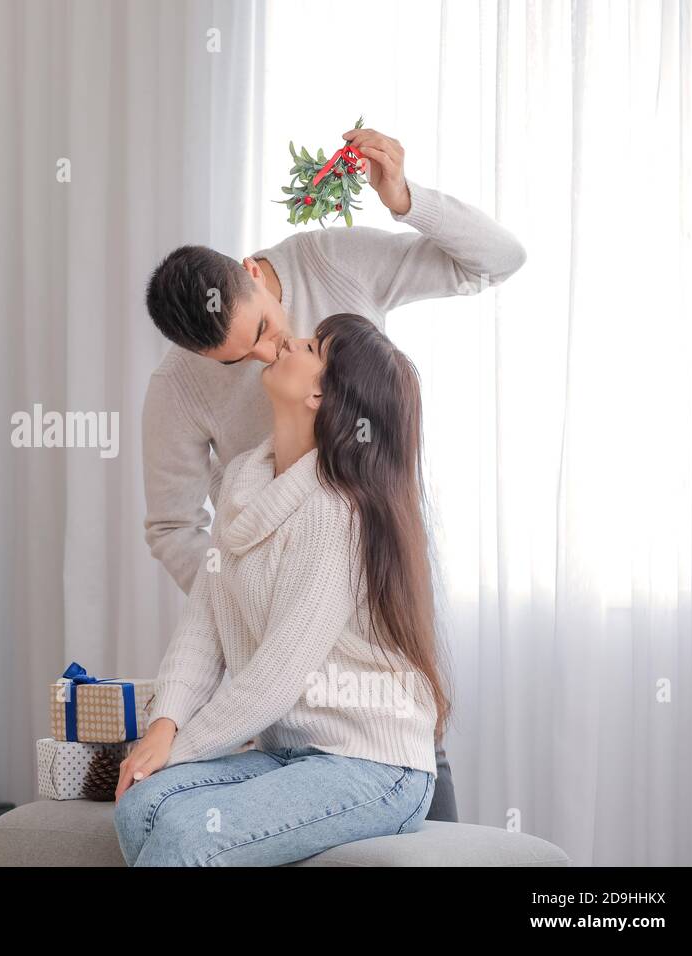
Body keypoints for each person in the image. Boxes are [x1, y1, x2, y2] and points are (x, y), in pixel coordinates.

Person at [140, 127, 526, 821]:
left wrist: (406, 200)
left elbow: (497, 262)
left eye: (264, 331)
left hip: (380, 602)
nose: (269, 355)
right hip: (283, 655)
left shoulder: (334, 259)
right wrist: (248, 598)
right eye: (237, 359)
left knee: (408, 761)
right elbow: (172, 525)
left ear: (252, 273)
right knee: (299, 790)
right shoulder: (177, 385)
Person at [115, 314, 448, 865]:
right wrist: (164, 724)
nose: (291, 341)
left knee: (187, 835)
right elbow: (203, 626)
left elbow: (276, 676)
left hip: (373, 766)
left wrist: (182, 749)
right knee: (141, 807)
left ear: (321, 392)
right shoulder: (244, 479)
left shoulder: (337, 512)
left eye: (313, 346)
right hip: (290, 752)